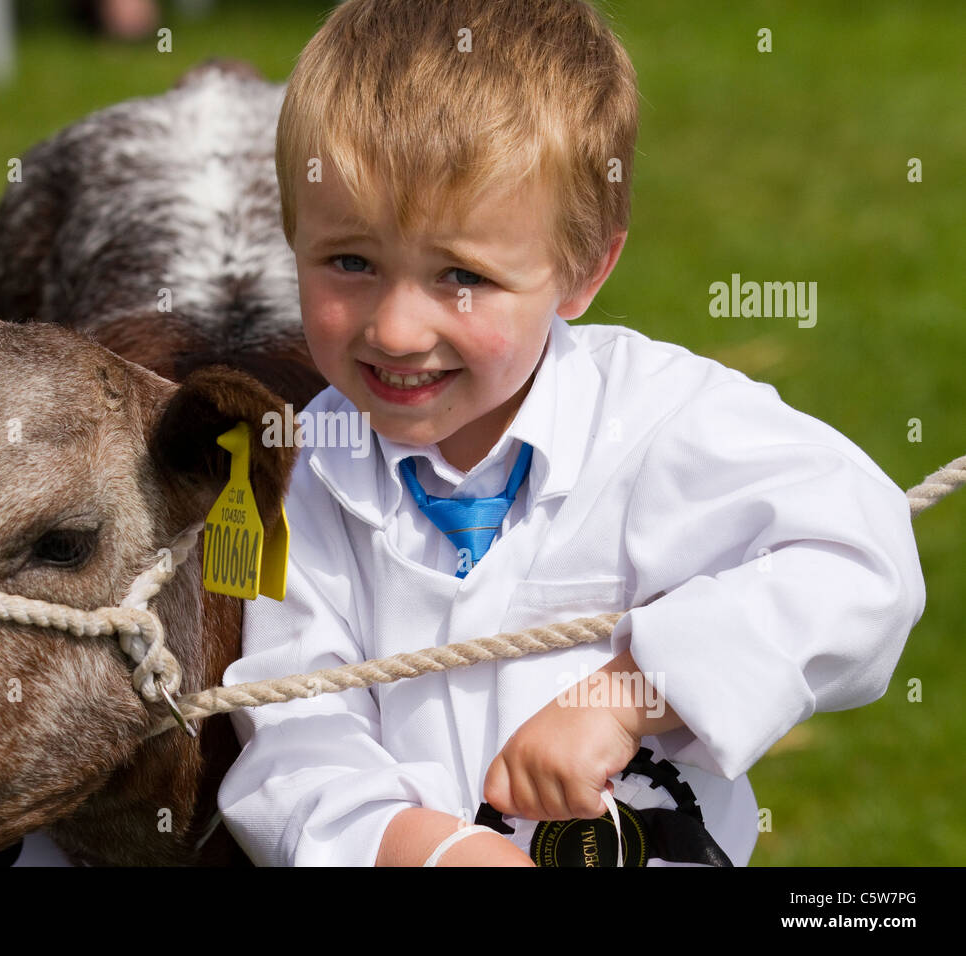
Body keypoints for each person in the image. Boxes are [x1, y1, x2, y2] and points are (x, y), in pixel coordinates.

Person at [215, 0, 925, 866]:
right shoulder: (289, 470)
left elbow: (863, 562)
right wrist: (420, 850)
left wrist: (628, 693)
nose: (396, 329)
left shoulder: (660, 419)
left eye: (462, 276)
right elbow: (291, 726)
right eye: (350, 262)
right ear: (293, 234)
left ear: (583, 270)